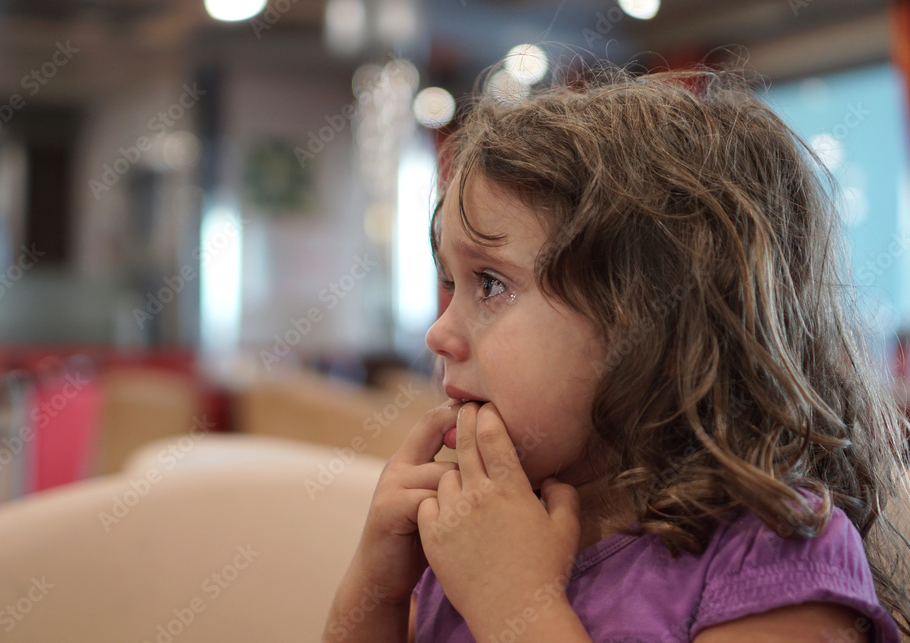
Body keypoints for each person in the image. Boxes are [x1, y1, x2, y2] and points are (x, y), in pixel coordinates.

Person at [322, 62, 910, 642]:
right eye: (451, 282)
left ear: (650, 318)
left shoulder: (775, 553)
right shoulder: (479, 521)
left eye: (492, 284)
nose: (438, 333)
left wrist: (515, 603)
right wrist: (376, 585)